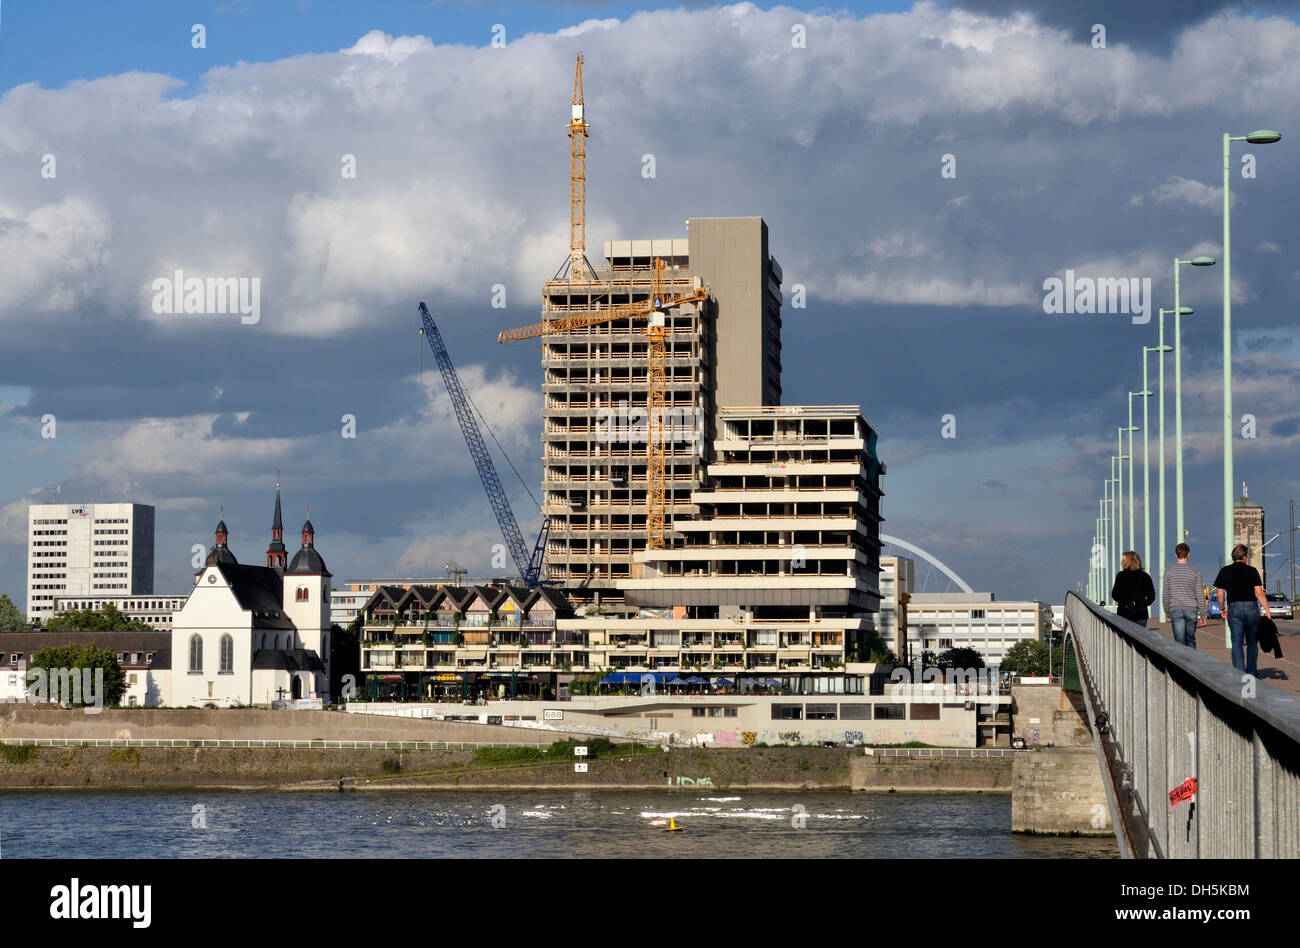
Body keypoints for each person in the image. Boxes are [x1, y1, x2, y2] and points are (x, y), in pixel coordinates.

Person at [1213, 544, 1272, 676]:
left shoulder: (1224, 571)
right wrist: (1267, 610)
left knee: (1237, 642)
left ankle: (1239, 674)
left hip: (1234, 609)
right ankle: (1251, 672)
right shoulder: (1252, 571)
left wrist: (1222, 608)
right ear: (1244, 556)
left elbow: (1220, 594)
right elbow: (1259, 592)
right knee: (1252, 642)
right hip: (1251, 608)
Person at [1163, 543, 1207, 649]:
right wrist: (1203, 614)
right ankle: (1192, 663)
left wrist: (1167, 612)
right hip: (1192, 609)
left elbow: (1166, 594)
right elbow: (1200, 594)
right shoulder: (1195, 572)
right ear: (1188, 555)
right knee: (1190, 639)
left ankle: (1181, 664)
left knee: (1179, 641)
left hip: (1175, 609)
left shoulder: (1169, 571)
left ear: (1175, 555)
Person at [1111, 551, 1156, 626]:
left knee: (1124, 637)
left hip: (1124, 614)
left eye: (1123, 559)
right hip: (1141, 614)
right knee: (1139, 636)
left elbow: (1114, 594)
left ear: (1127, 562)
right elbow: (1152, 596)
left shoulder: (1121, 576)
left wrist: (1123, 602)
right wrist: (1143, 604)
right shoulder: (1145, 576)